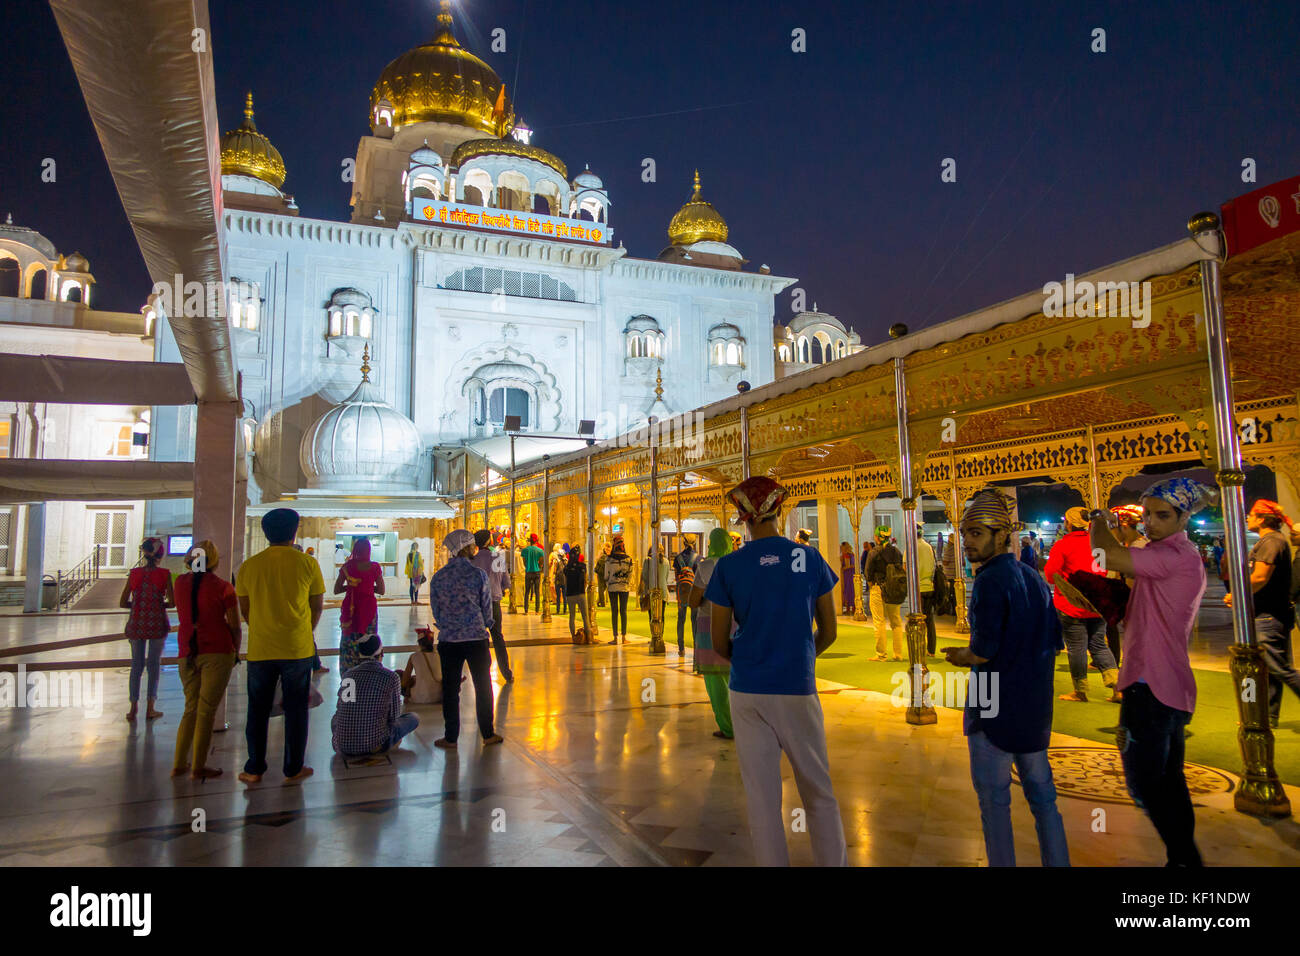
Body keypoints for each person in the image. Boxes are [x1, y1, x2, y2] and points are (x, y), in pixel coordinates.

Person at [704, 476, 847, 866]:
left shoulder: (730, 565)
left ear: (742, 518)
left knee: (763, 799)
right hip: (796, 687)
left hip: (748, 690)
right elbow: (829, 631)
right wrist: (798, 657)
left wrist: (753, 660)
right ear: (780, 510)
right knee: (818, 790)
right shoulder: (808, 558)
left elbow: (718, 643)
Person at [944, 488, 1069, 867]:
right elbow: (1053, 642)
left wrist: (958, 656)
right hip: (1033, 705)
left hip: (992, 705)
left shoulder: (989, 580)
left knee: (995, 802)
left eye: (976, 533)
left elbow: (983, 651)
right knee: (1043, 798)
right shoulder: (1032, 578)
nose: (967, 542)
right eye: (965, 533)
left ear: (1002, 535)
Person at [1093, 477, 1212, 866]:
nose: (1151, 524)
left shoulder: (1172, 556)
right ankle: (1183, 859)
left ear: (1183, 519)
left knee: (1143, 781)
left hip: (1152, 687)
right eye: (1147, 516)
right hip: (1168, 684)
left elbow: (1103, 555)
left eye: (1162, 516)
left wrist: (1095, 519)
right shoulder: (1174, 555)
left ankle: (1184, 857)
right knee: (1169, 781)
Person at [236, 508, 325, 785]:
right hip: (296, 649)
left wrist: (265, 626)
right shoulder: (307, 564)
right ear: (294, 531)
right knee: (296, 710)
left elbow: (246, 610)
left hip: (261, 649)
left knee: (257, 710)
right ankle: (293, 767)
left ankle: (254, 768)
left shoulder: (249, 566)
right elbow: (317, 606)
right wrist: (302, 630)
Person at [172, 539, 239, 779]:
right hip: (218, 651)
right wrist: (236, 651)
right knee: (206, 710)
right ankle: (198, 766)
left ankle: (179, 764)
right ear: (214, 561)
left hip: (186, 651)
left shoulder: (179, 583)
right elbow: (234, 625)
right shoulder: (224, 587)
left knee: (190, 708)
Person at [429, 529, 503, 749]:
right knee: (483, 686)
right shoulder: (477, 574)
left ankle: (451, 737)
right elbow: (486, 606)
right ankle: (487, 734)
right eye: (472, 546)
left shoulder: (439, 577)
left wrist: (445, 624)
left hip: (449, 640)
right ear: (467, 548)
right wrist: (487, 624)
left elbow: (436, 608)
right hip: (475, 638)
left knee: (451, 689)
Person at [1230, 499, 1300, 727]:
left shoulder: (1271, 542)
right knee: (1271, 669)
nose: (1248, 518)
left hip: (1269, 616)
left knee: (1278, 668)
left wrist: (1237, 594)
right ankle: (1268, 716)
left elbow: (1260, 577)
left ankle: (1258, 715)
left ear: (1261, 519)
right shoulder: (1272, 541)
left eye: (1251, 515)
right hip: (1268, 614)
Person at [1044, 506, 1119, 703]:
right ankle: (1118, 689)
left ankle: (1080, 690)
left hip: (1072, 606)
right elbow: (1104, 569)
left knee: (1076, 647)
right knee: (1099, 645)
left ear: (1069, 524)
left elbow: (1051, 574)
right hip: (1098, 604)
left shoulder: (1063, 545)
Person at [331, 634, 419, 758]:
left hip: (342, 746)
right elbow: (394, 717)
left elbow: (341, 710)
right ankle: (382, 745)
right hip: (373, 744)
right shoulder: (391, 677)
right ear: (381, 654)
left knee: (335, 718)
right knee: (413, 718)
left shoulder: (348, 675)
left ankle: (347, 738)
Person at [120, 536, 175, 721]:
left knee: (136, 665)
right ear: (160, 555)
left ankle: (133, 707)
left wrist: (138, 605)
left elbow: (122, 602)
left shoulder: (134, 573)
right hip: (157, 624)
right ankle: (150, 706)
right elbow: (172, 602)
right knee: (153, 665)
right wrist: (156, 605)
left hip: (136, 623)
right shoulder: (165, 574)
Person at [688, 528, 736, 738]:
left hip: (709, 625)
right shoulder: (738, 564)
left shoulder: (706, 565)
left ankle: (728, 726)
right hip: (736, 626)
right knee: (736, 678)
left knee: (716, 683)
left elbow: (693, 600)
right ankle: (744, 725)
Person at [1105, 504, 1148, 665]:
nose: (1112, 535)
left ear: (1123, 526)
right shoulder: (1136, 546)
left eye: (1113, 530)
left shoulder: (1137, 549)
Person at [335, 537, 385, 674]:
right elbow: (381, 590)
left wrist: (352, 588)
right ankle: (368, 672)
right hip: (368, 610)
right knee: (369, 640)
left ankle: (348, 673)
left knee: (348, 639)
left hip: (350, 609)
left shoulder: (347, 567)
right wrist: (367, 588)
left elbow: (336, 589)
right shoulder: (375, 567)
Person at [470, 529, 514, 681]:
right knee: (497, 637)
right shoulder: (497, 557)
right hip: (493, 602)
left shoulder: (472, 559)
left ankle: (482, 671)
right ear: (488, 541)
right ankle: (506, 671)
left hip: (476, 604)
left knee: (480, 638)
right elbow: (506, 582)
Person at [865, 525, 904, 661]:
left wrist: (872, 585)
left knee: (879, 622)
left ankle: (881, 654)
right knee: (896, 622)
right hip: (894, 589)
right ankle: (898, 654)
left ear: (877, 537)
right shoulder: (896, 552)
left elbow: (868, 573)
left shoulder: (874, 552)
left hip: (878, 588)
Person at [907, 528, 939, 657]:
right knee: (929, 620)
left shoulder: (911, 547)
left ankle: (918, 647)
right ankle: (931, 649)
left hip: (917, 588)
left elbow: (906, 567)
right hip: (929, 586)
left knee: (916, 620)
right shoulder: (929, 547)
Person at [673, 538, 699, 663]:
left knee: (681, 620)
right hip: (694, 592)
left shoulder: (677, 558)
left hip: (681, 593)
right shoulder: (698, 558)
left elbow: (676, 578)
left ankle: (681, 648)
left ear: (683, 543)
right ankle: (695, 649)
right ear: (695, 543)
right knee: (694, 621)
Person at [603, 536, 634, 642]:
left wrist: (609, 583)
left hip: (612, 587)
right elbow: (630, 575)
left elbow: (606, 575)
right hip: (624, 588)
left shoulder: (609, 559)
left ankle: (615, 637)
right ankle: (624, 637)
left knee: (614, 611)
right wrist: (625, 582)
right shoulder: (628, 559)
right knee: (623, 611)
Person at [401, 630, 443, 704]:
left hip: (419, 698)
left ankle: (407, 699)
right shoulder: (440, 656)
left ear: (419, 643)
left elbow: (404, 681)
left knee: (399, 674)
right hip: (439, 697)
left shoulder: (414, 656)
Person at [563, 546, 595, 642]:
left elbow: (565, 581)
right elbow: (585, 580)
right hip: (580, 593)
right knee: (585, 617)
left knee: (572, 616)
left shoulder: (566, 568)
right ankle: (589, 639)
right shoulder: (582, 566)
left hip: (570, 594)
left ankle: (573, 637)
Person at [522, 533, 544, 613]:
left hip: (528, 571)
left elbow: (524, 561)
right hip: (537, 571)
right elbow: (541, 561)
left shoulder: (525, 550)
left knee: (527, 591)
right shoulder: (540, 550)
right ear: (537, 540)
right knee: (537, 591)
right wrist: (539, 566)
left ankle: (526, 610)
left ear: (529, 541)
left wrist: (527, 565)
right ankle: (537, 610)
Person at [549, 543, 567, 613]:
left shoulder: (555, 559)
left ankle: (558, 609)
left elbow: (554, 570)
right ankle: (564, 610)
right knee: (564, 594)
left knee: (557, 592)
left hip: (558, 578)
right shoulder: (566, 560)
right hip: (564, 579)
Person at [839, 542, 856, 615]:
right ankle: (853, 607)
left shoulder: (846, 555)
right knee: (852, 590)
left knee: (848, 590)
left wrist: (842, 568)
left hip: (847, 574)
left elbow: (848, 565)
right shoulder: (852, 554)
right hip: (852, 573)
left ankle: (848, 608)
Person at [596, 543, 610, 608]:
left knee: (602, 588)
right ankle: (602, 603)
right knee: (602, 588)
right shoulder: (605, 555)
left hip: (602, 573)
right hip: (603, 573)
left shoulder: (604, 555)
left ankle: (599, 601)